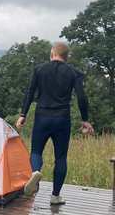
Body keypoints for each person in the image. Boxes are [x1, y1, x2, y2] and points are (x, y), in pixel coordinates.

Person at [16, 41, 93, 206]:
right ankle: (55, 196)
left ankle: (35, 173)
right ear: (67, 56)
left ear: (52, 54)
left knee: (36, 151)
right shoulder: (74, 72)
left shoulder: (39, 70)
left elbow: (30, 92)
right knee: (61, 157)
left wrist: (23, 114)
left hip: (42, 116)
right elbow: (81, 96)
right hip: (62, 119)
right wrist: (85, 119)